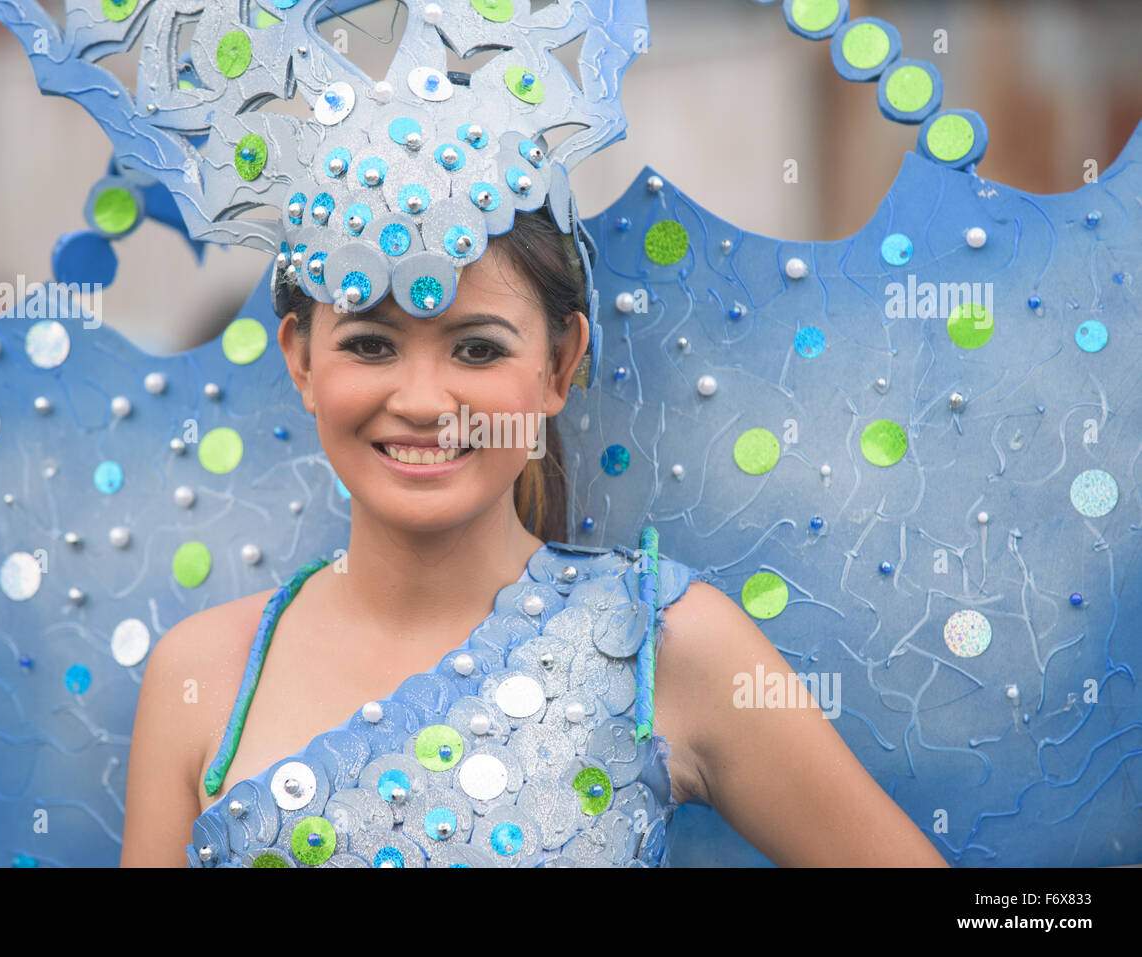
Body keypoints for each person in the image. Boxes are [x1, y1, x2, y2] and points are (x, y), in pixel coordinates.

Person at [119, 206, 948, 867]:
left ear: (559, 366)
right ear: (302, 360)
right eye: (370, 344)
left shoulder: (660, 642)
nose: (422, 401)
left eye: (477, 348)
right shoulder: (203, 672)